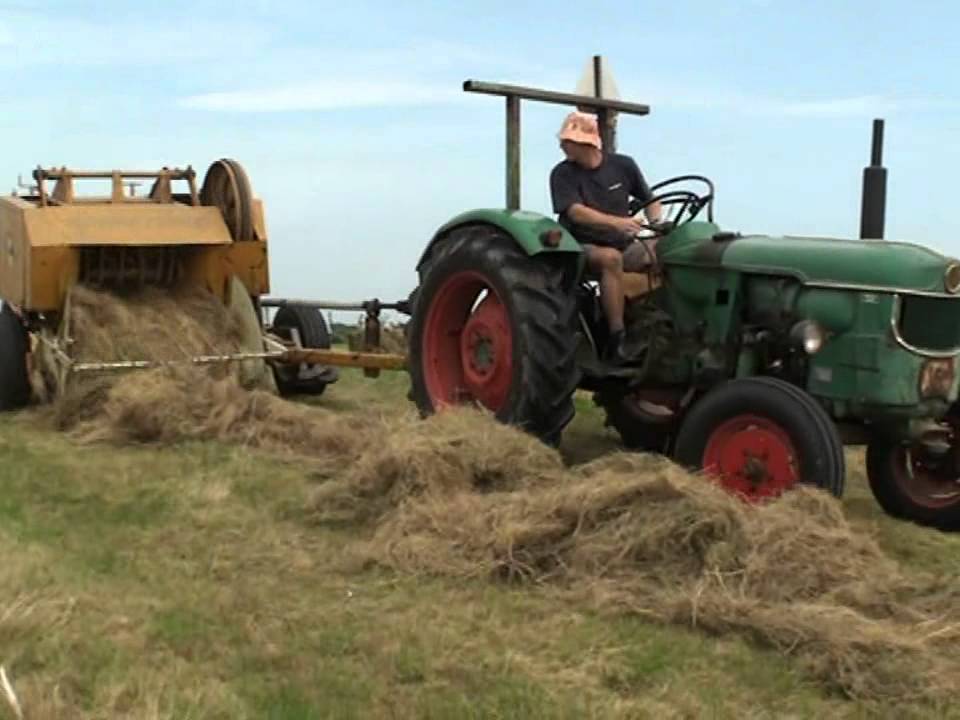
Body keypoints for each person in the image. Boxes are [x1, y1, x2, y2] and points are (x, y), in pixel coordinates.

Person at [549, 110, 662, 365]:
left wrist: (658, 224)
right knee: (610, 259)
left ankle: (655, 323)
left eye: (568, 141)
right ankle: (617, 337)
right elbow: (576, 213)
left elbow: (651, 199)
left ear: (586, 143)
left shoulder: (623, 165)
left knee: (668, 250)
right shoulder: (563, 174)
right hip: (582, 246)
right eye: (564, 140)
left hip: (626, 244)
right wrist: (620, 223)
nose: (562, 145)